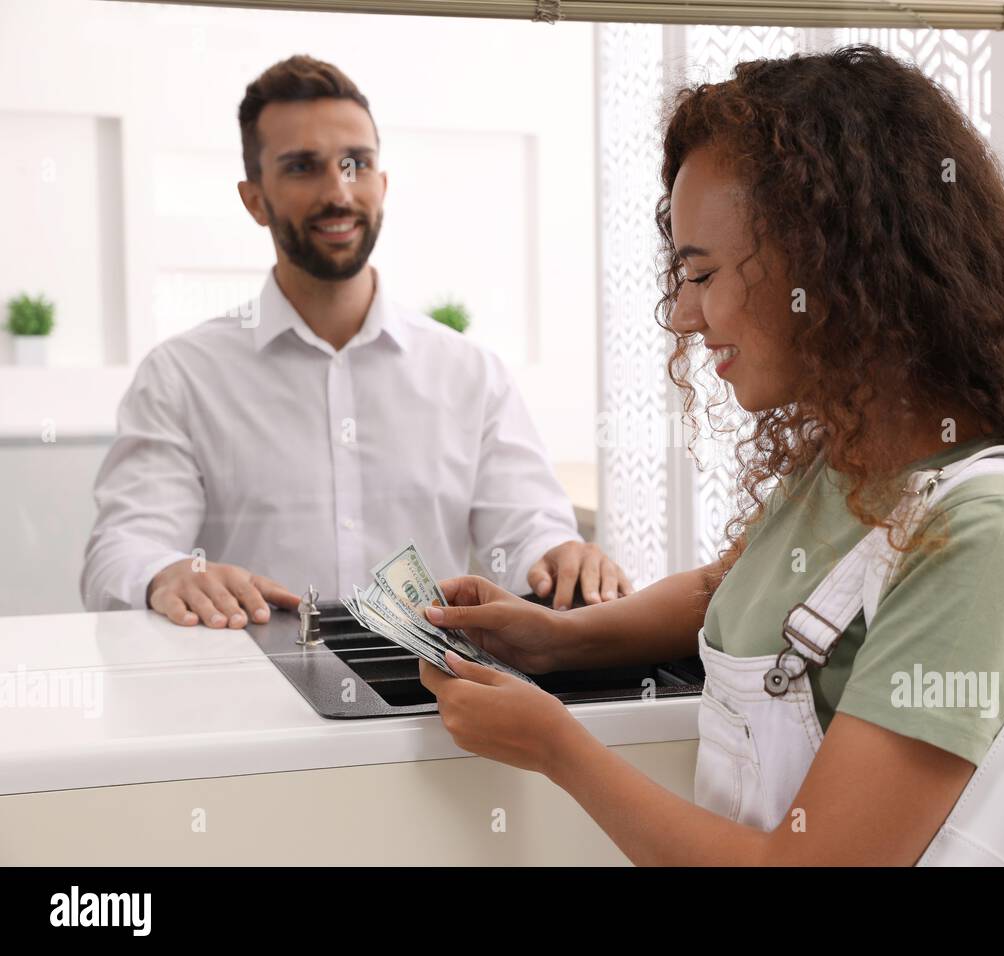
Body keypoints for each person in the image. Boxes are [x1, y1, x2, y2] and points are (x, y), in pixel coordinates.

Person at [415, 44, 1004, 865]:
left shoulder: (983, 537)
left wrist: (559, 749)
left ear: (828, 263)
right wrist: (557, 639)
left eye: (701, 275)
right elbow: (733, 590)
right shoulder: (849, 459)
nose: (683, 319)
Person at [81, 55, 630, 628]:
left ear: (382, 184)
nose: (337, 193)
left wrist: (561, 560)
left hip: (433, 703)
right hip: (249, 701)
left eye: (356, 164)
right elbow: (121, 552)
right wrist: (166, 572)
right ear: (255, 200)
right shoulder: (181, 376)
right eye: (301, 167)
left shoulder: (470, 374)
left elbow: (527, 535)